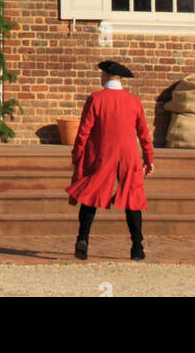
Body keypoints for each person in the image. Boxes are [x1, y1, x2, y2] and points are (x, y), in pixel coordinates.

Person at [66, 60, 154, 261]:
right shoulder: (134, 101)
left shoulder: (96, 99)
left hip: (102, 154)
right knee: (133, 199)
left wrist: (77, 155)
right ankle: (137, 247)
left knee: (91, 196)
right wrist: (149, 159)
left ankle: (83, 239)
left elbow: (83, 132)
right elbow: (144, 135)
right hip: (129, 155)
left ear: (105, 76)